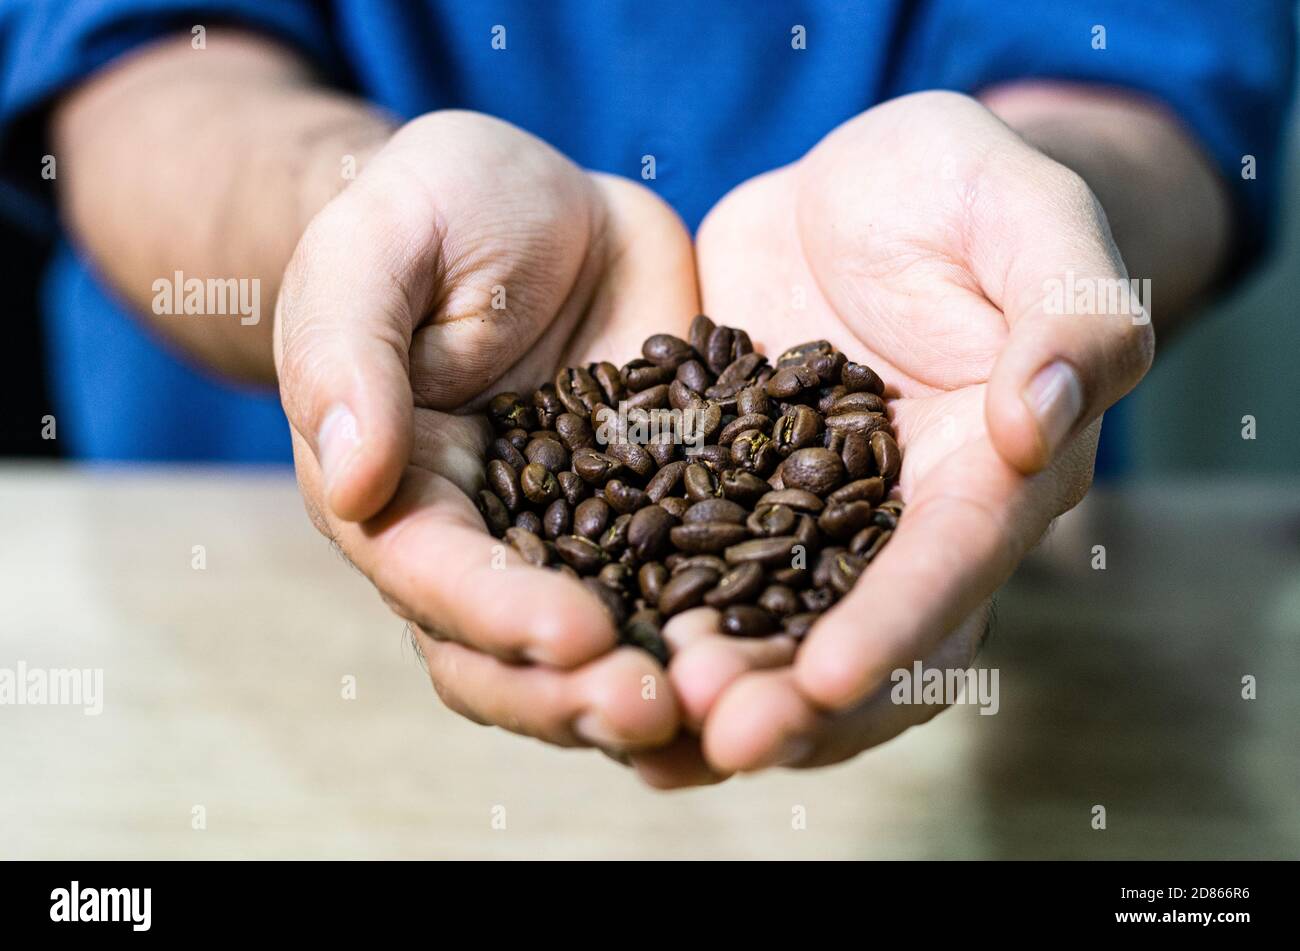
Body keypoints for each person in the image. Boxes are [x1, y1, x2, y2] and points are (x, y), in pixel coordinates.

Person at [1, 2, 1292, 788]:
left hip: (1027, 639)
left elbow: (1141, 74)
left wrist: (1032, 214)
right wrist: (347, 221)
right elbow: (136, 71)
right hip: (226, 623)